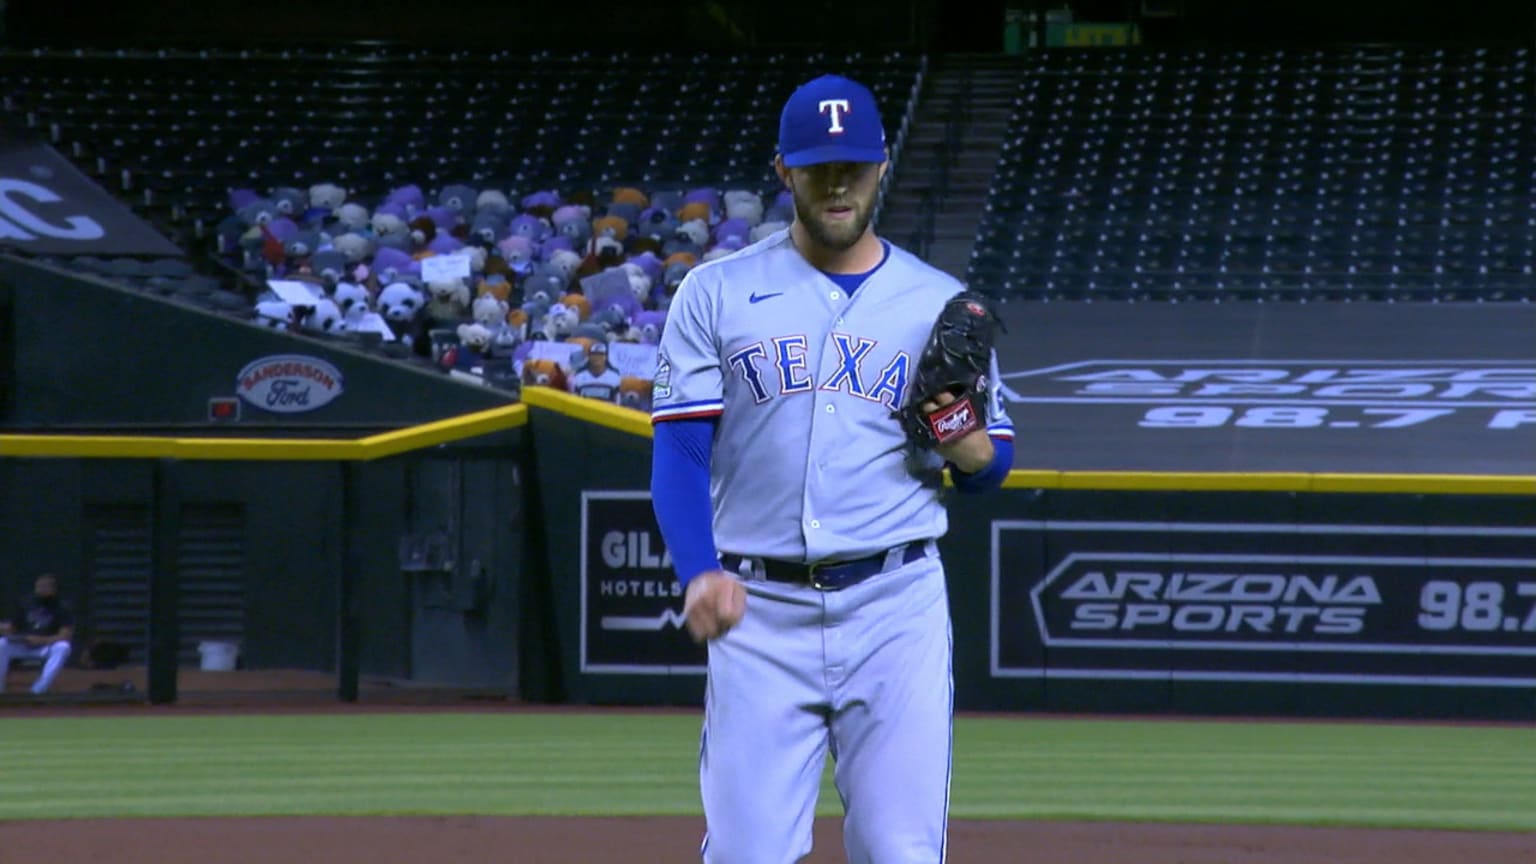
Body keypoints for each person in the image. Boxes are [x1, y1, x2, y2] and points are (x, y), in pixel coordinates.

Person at [649, 73, 1014, 864]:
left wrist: (962, 433)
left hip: (895, 607)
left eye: (853, 163)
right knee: (746, 855)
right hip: (759, 609)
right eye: (818, 166)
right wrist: (697, 571)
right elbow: (679, 450)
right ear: (784, 171)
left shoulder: (936, 302)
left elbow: (991, 467)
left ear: (883, 164)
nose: (838, 181)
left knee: (900, 850)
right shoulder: (716, 293)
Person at [0, 573, 76, 695]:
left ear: (53, 589)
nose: (41, 589)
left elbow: (65, 636)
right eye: (39, 586)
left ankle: (37, 691)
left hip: (46, 646)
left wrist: (41, 640)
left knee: (63, 647)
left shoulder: (62, 607)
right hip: (24, 644)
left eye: (45, 586)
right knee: (2, 644)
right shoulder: (26, 602)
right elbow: (12, 627)